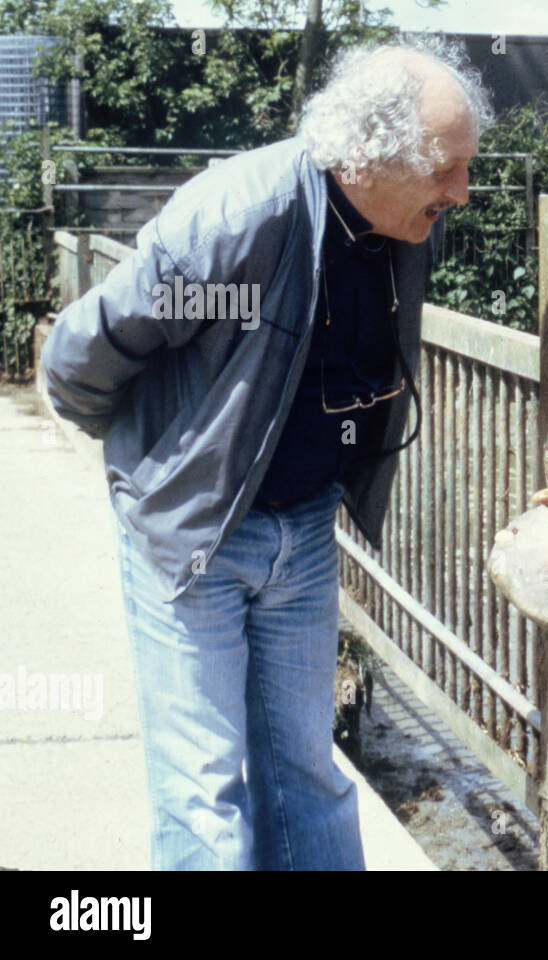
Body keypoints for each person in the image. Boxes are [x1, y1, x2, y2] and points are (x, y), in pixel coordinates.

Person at [40, 37, 492, 870]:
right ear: (369, 155)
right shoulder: (236, 220)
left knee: (306, 778)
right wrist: (152, 470)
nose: (460, 192)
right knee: (204, 799)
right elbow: (84, 355)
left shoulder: (401, 221)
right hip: (192, 535)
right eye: (445, 169)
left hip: (304, 530)